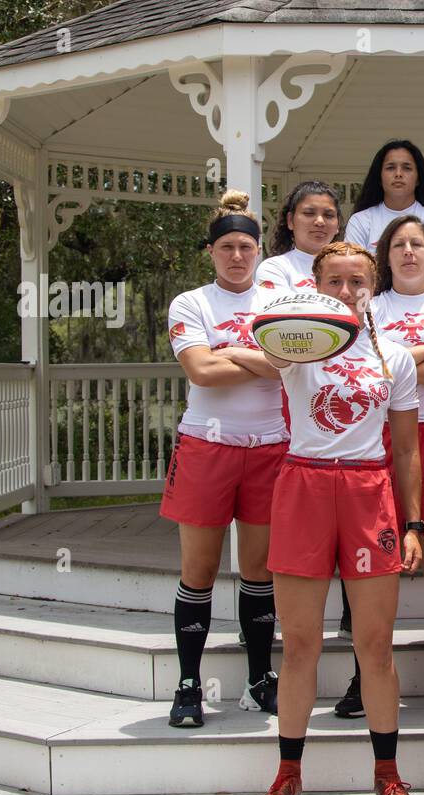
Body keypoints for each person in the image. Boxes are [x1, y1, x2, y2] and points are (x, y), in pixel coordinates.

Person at [256, 241, 424, 795]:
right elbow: (265, 343)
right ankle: (287, 773)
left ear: (373, 287)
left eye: (357, 282)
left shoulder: (394, 355)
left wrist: (413, 523)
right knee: (300, 645)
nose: (347, 291)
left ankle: (387, 773)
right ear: (316, 285)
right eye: (334, 281)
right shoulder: (295, 345)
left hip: (367, 490)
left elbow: (407, 449)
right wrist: (296, 324)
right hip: (304, 485)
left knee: (374, 644)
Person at [333, 214, 424, 718]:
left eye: (418, 244)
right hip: (375, 440)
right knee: (367, 568)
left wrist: (399, 358)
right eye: (399, 245)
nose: (409, 252)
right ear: (385, 256)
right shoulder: (367, 305)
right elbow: (360, 366)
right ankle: (363, 676)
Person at [161, 190, 286, 728]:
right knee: (200, 570)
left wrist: (229, 351)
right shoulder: (191, 303)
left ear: (259, 251)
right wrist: (260, 358)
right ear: (211, 251)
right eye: (227, 247)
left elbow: (292, 366)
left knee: (259, 571)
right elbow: (202, 372)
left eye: (246, 247)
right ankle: (189, 684)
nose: (237, 256)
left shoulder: (280, 302)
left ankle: (260, 679)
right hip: (206, 447)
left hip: (269, 447)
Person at [256, 180, 357, 647]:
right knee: (306, 522)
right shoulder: (275, 268)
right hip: (300, 396)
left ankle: (353, 615)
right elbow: (279, 335)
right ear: (289, 220)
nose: (320, 221)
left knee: (355, 523)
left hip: (355, 391)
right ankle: (297, 624)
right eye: (309, 213)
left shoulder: (351, 262)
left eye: (329, 214)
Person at [345, 139, 424, 268]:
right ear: (379, 177)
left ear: (418, 178)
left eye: (407, 168)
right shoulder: (360, 221)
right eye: (390, 168)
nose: (398, 174)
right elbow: (353, 269)